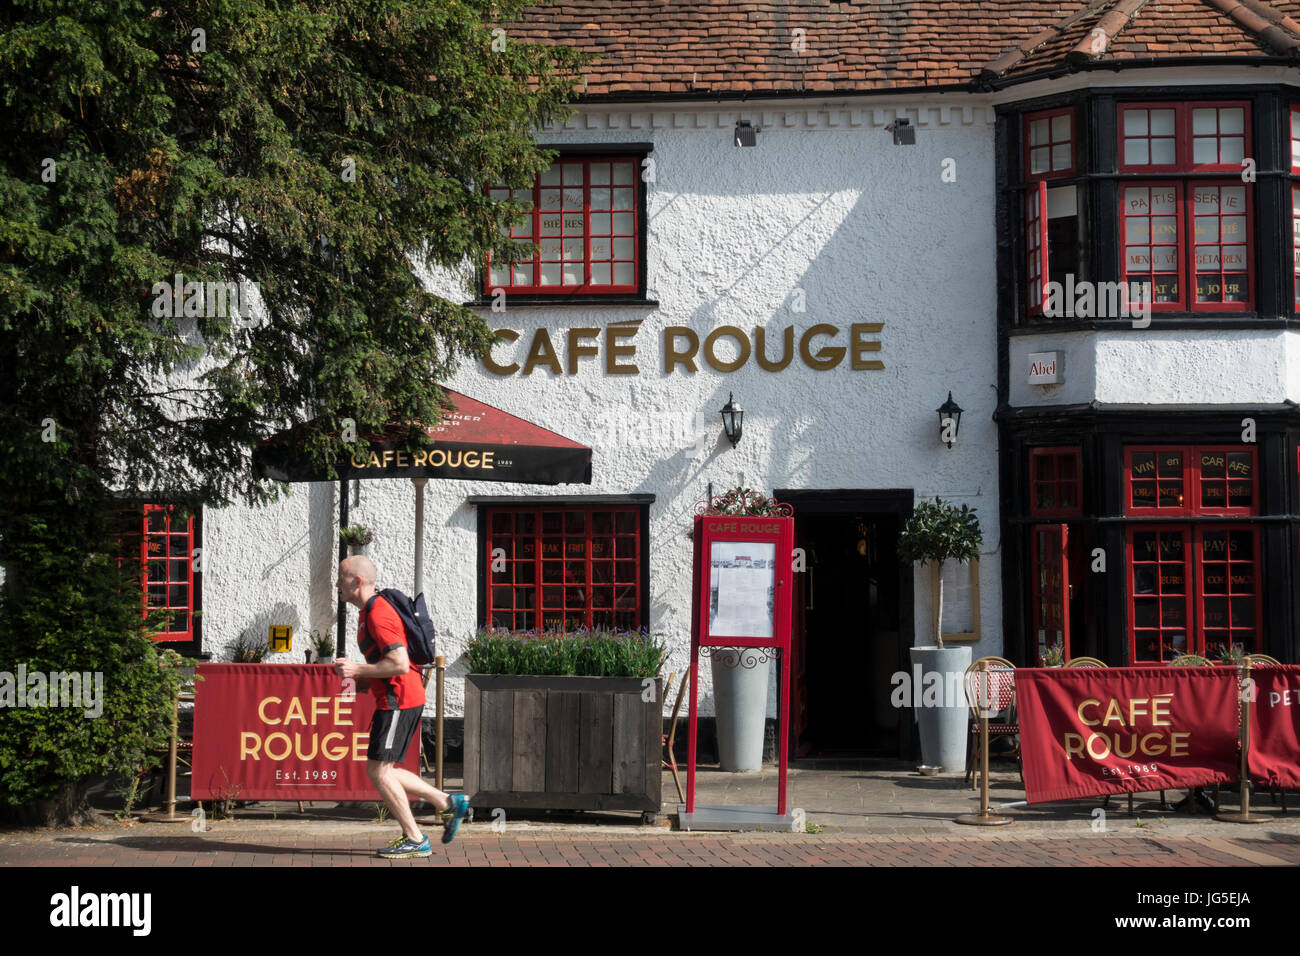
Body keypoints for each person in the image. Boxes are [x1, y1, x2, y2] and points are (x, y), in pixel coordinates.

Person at [334, 555, 470, 856]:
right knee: (384, 769)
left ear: (357, 581)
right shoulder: (367, 611)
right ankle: (449, 803)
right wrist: (367, 681)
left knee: (379, 771)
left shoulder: (378, 612)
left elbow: (398, 663)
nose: (336, 583)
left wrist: (358, 670)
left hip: (399, 699)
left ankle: (416, 838)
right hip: (396, 697)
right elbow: (387, 661)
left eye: (341, 577)